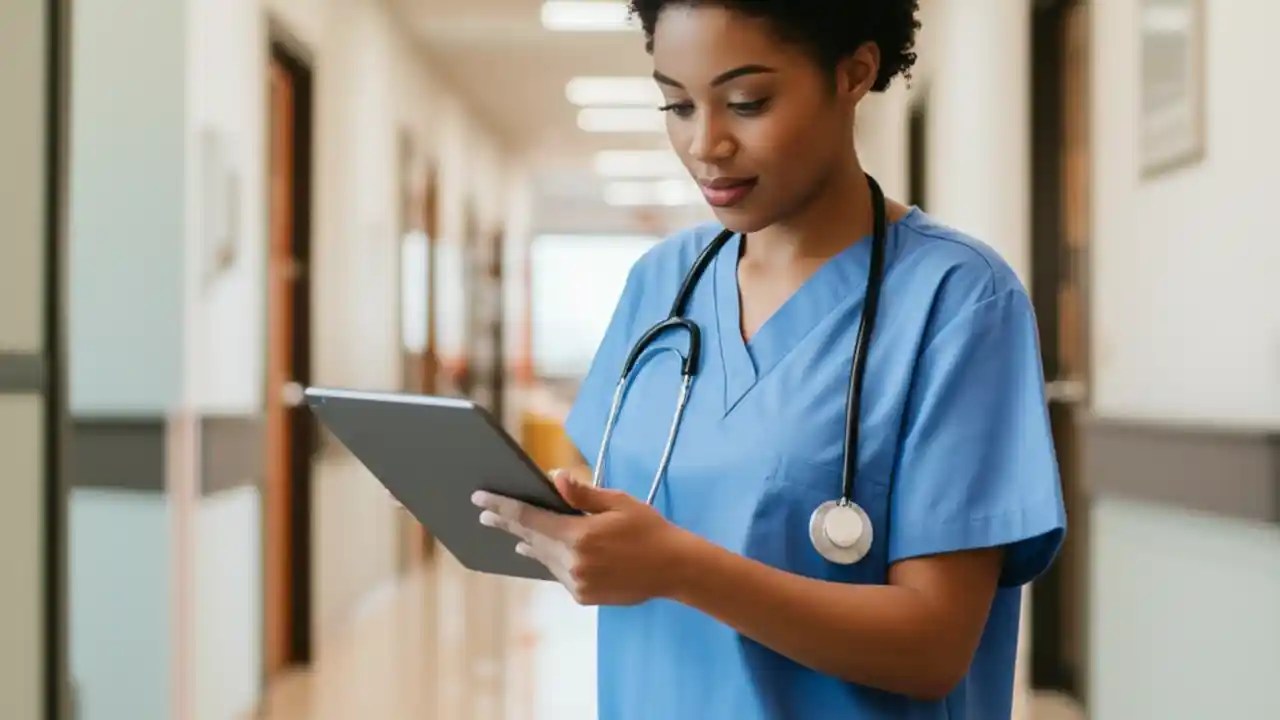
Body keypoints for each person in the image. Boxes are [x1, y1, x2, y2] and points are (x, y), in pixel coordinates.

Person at [472, 1, 1067, 718]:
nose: (705, 144)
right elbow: (622, 506)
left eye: (747, 103)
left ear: (854, 73)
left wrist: (677, 566)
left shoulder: (960, 300)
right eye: (678, 105)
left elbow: (932, 647)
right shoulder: (662, 285)